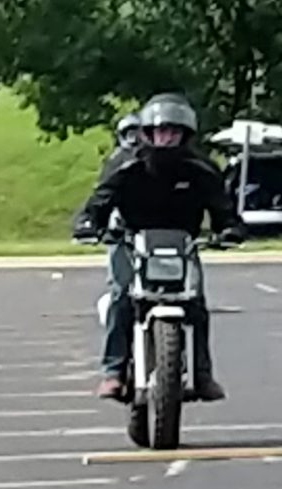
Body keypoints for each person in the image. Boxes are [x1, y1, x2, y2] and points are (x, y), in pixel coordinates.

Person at [72, 93, 244, 401]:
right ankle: (112, 371)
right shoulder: (125, 165)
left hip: (182, 245)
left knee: (196, 305)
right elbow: (99, 200)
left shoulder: (202, 169)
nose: (166, 138)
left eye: (173, 132)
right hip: (129, 240)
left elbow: (222, 207)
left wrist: (229, 228)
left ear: (185, 135)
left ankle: (203, 374)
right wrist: (88, 223)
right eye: (160, 131)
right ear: (147, 133)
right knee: (122, 297)